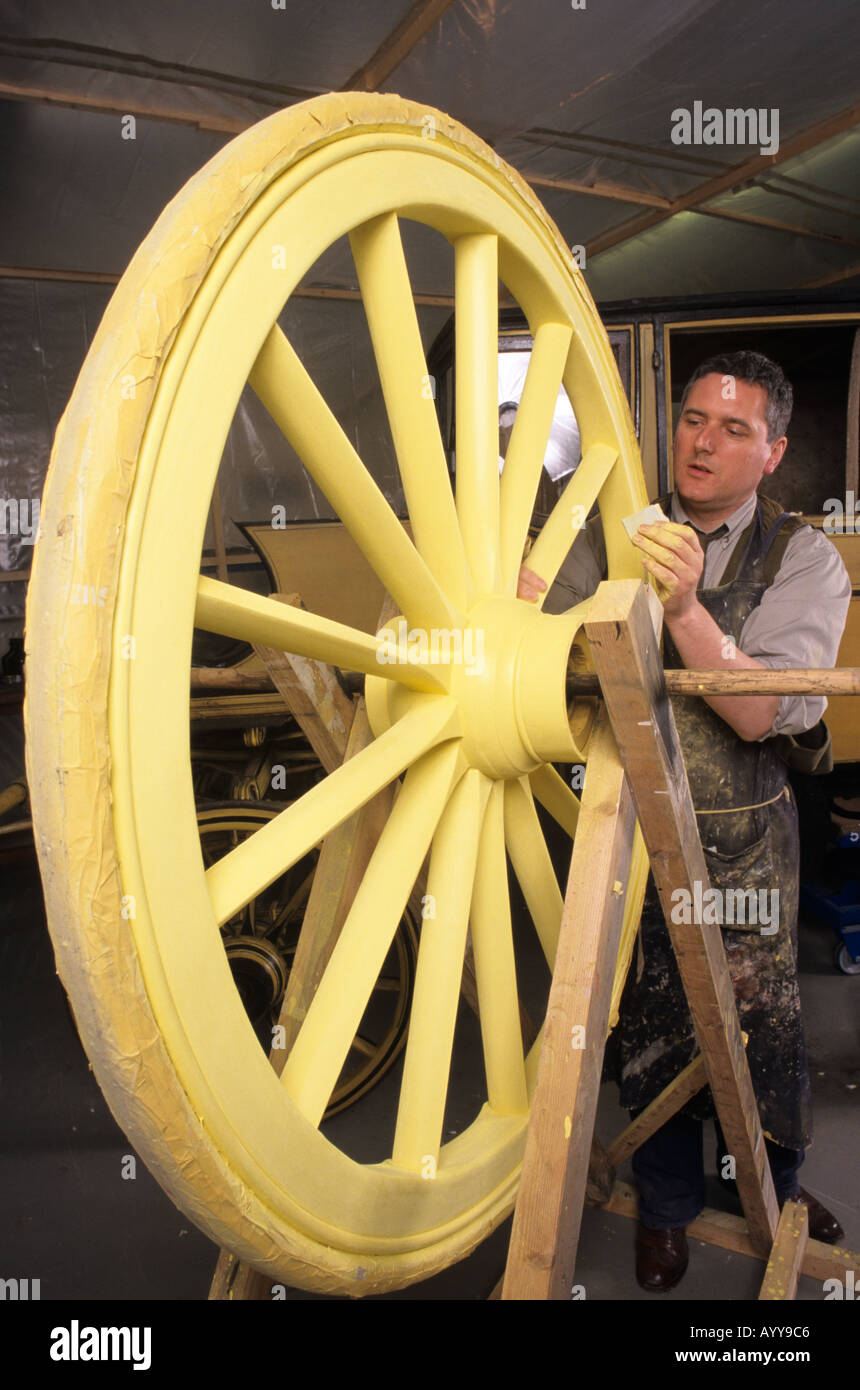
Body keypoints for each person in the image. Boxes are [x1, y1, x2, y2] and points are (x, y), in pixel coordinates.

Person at [518, 350, 851, 1291]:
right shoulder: (620, 525)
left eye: (735, 428)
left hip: (742, 848)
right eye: (696, 418)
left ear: (774, 450)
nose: (704, 441)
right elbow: (535, 622)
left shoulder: (805, 558)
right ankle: (665, 1211)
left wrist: (686, 607)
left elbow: (756, 711)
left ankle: (773, 1193)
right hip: (627, 830)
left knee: (760, 1029)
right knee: (650, 1024)